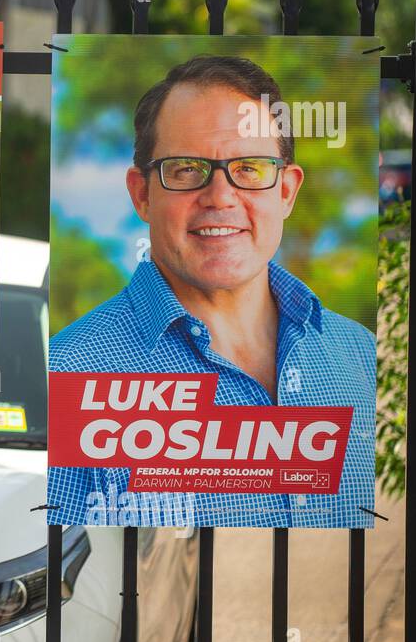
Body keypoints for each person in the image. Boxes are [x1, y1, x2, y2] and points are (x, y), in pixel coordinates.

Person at [49, 55, 376, 528]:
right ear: (142, 194)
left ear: (286, 192)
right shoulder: (69, 375)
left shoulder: (361, 354)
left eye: (248, 168)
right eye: (185, 169)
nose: (221, 197)